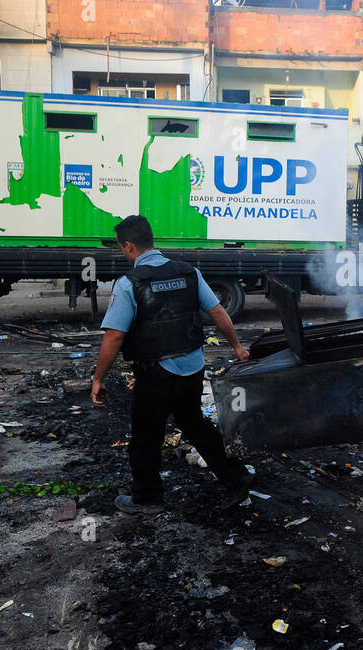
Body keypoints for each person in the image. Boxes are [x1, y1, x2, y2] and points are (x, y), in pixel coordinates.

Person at [91, 215, 254, 514]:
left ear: (129, 246)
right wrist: (237, 346)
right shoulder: (189, 272)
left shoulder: (130, 283)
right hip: (192, 367)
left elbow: (114, 336)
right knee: (194, 423)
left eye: (122, 248)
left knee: (145, 435)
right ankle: (236, 477)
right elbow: (218, 312)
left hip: (156, 373)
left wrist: (98, 378)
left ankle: (148, 497)